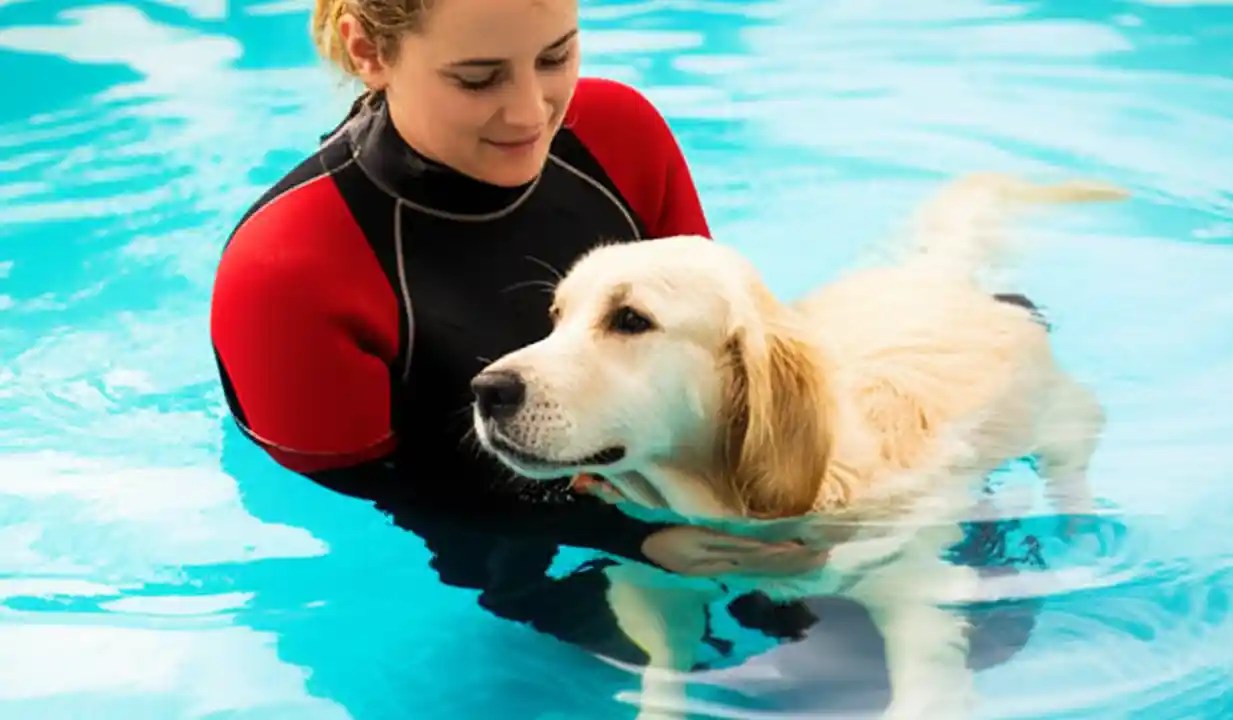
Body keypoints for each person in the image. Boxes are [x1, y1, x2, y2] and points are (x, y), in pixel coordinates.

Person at [209, 0, 825, 663]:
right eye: (478, 79)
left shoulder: (619, 136)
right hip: (478, 557)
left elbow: (722, 376)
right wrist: (620, 534)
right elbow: (364, 510)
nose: (532, 112)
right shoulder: (287, 270)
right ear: (369, 53)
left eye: (556, 57)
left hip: (654, 497)